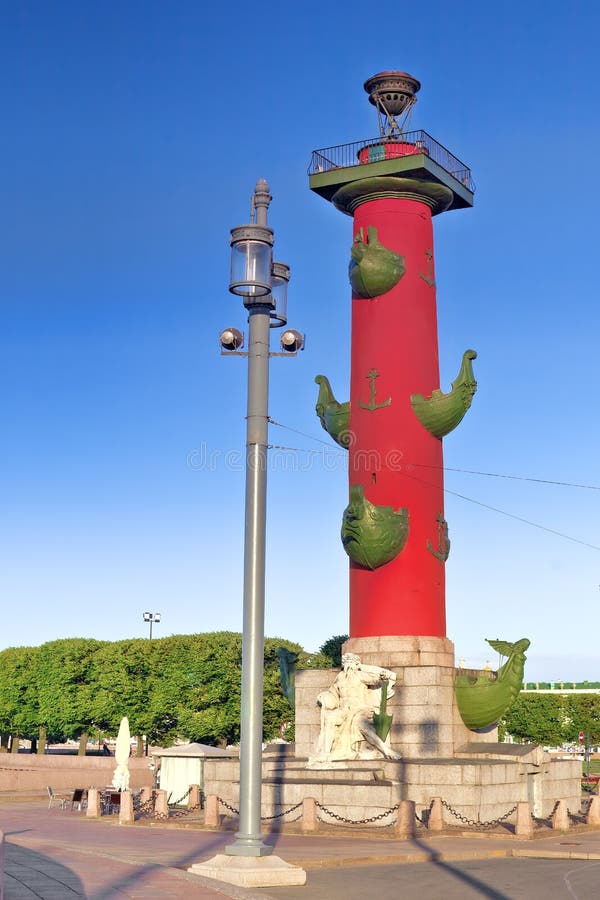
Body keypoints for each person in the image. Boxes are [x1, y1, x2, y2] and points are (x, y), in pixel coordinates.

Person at [313, 652, 401, 762]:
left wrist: (362, 667)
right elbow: (333, 692)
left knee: (361, 725)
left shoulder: (359, 675)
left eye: (351, 662)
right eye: (346, 662)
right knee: (330, 719)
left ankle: (386, 750)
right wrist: (323, 697)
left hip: (360, 709)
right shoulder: (339, 677)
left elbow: (377, 679)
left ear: (356, 664)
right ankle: (326, 753)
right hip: (344, 710)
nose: (348, 665)